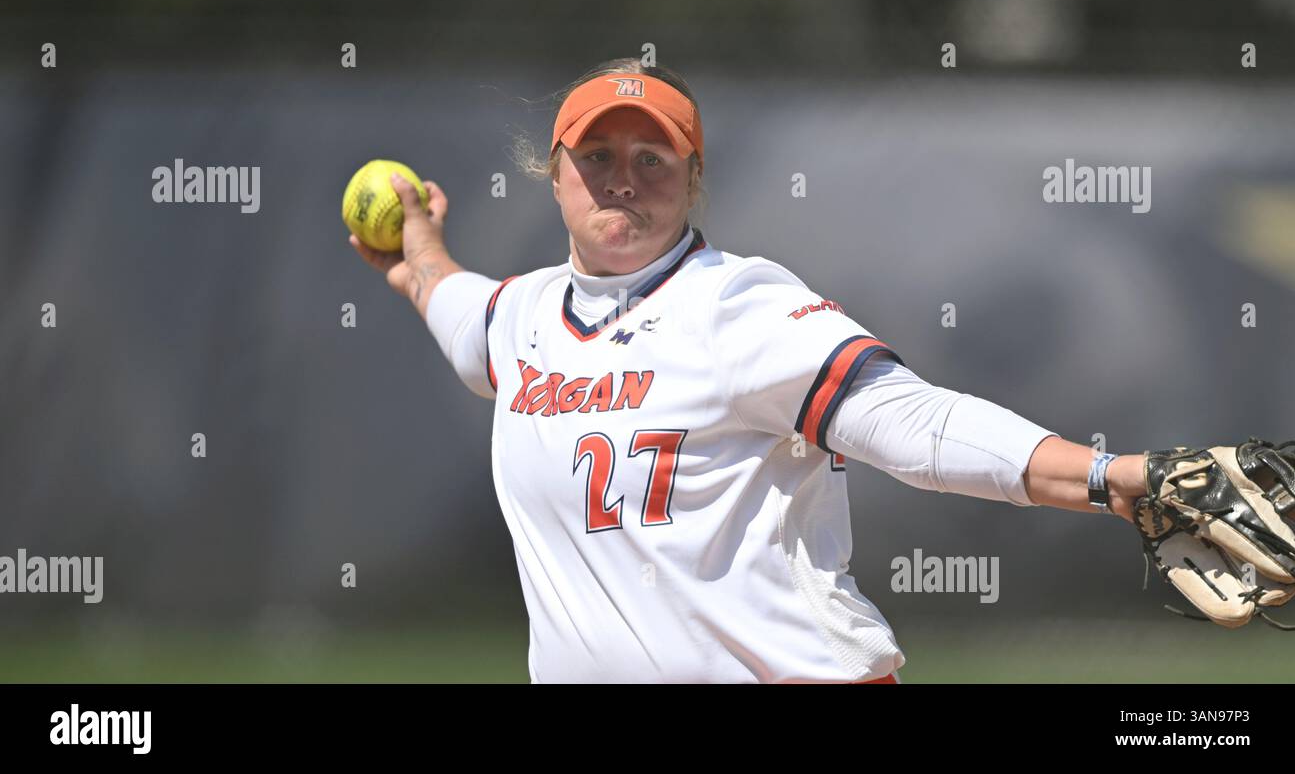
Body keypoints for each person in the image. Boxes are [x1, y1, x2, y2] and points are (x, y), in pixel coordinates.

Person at [349, 57, 1148, 684]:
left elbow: (915, 423)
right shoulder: (518, 317)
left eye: (653, 156)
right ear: (553, 175)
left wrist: (1109, 475)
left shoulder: (734, 304)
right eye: (595, 155)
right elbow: (455, 310)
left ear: (694, 179)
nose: (622, 175)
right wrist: (416, 250)